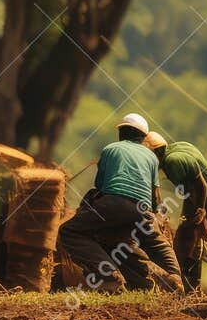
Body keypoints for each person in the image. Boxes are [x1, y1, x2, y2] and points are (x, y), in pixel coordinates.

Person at [59, 113, 183, 293]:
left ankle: (109, 277)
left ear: (121, 132)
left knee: (69, 231)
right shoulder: (151, 158)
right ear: (143, 137)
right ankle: (172, 279)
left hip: (113, 203)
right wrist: (154, 218)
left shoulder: (110, 149)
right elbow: (155, 197)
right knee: (142, 245)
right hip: (142, 209)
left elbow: (100, 186)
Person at [145, 132, 207, 293]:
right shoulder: (176, 150)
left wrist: (202, 215)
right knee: (187, 240)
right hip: (194, 198)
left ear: (155, 153)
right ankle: (192, 287)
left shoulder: (172, 161)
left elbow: (200, 184)